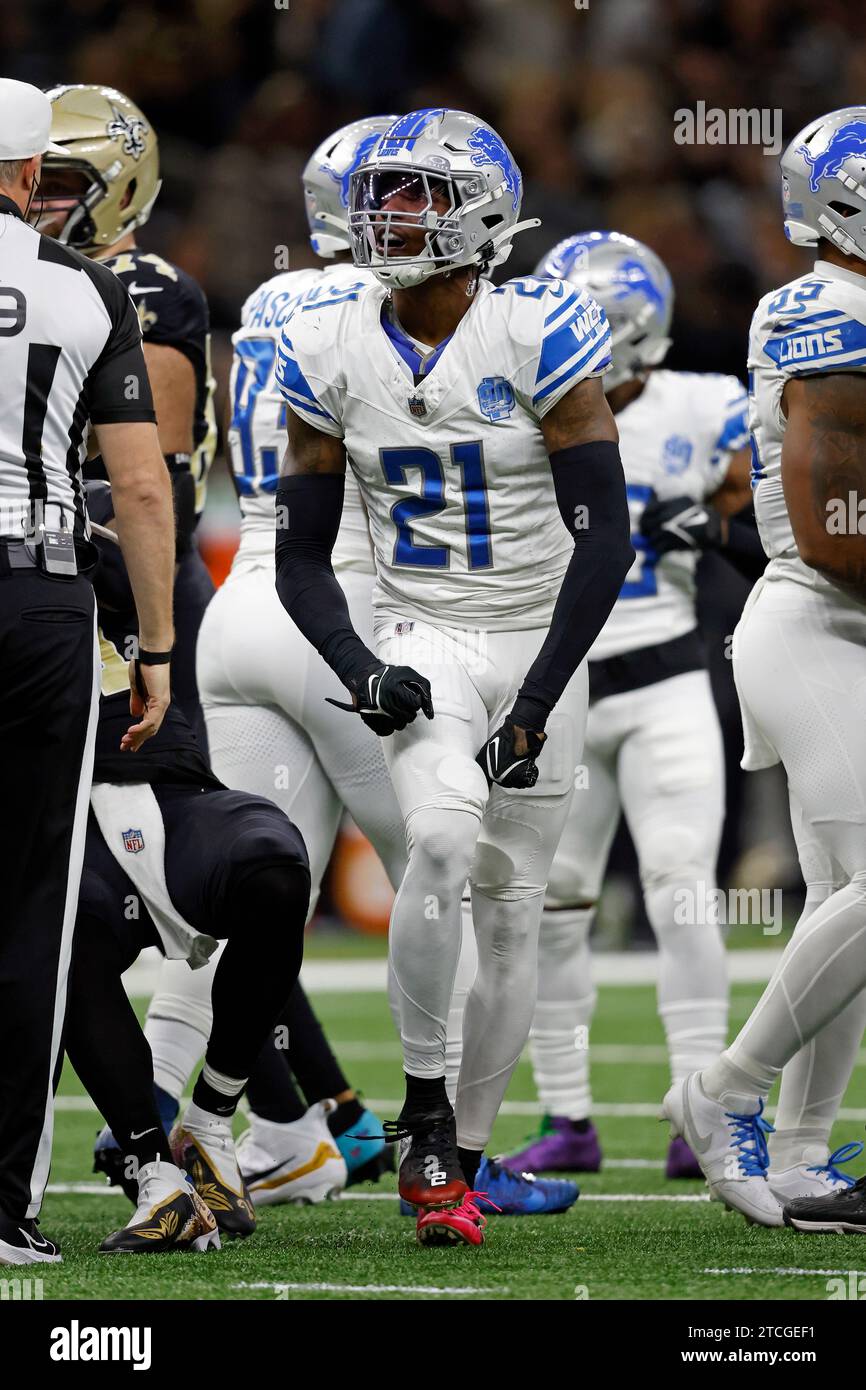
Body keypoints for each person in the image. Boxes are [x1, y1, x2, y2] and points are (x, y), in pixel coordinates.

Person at [143, 114, 577, 1219]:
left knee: (224, 907)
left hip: (237, 604)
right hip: (357, 617)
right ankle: (452, 1148)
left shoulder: (275, 305)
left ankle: (176, 1140)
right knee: (461, 886)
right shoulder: (381, 319)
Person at [274, 108, 633, 1245]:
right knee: (436, 842)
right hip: (424, 628)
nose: (392, 214)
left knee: (514, 912)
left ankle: (464, 1161)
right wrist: (358, 664)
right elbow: (296, 553)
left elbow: (605, 541)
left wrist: (532, 705)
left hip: (539, 638)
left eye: (420, 194)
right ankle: (424, 1111)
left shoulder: (538, 329)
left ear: (481, 210)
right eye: (383, 191)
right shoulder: (327, 338)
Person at [498, 233, 752, 1181]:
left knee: (683, 884)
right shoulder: (518, 405)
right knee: (550, 906)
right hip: (555, 689)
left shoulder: (705, 403)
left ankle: (701, 1108)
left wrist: (717, 525)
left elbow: (787, 524)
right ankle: (568, 1115)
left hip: (664, 676)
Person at [664, 107, 866, 1230]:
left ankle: (795, 1156)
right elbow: (834, 525)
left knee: (846, 905)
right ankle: (720, 1090)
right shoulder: (820, 311)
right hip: (815, 617)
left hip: (846, 626)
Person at [0, 78, 174, 1267]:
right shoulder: (87, 288)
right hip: (34, 598)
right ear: (27, 174)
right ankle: (0, 1207)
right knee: (24, 915)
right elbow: (147, 485)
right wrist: (153, 644)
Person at [70, 481, 310, 1252]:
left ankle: (209, 1121)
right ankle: (155, 1175)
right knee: (54, 927)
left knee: (274, 862)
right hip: (61, 820)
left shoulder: (90, 508)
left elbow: (139, 529)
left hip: (167, 788)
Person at [39, 83, 217, 750]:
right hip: (64, 573)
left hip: (137, 584)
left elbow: (148, 490)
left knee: (144, 801)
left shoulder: (147, 289)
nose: (35, 198)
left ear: (118, 187)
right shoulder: (36, 284)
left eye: (57, 181)